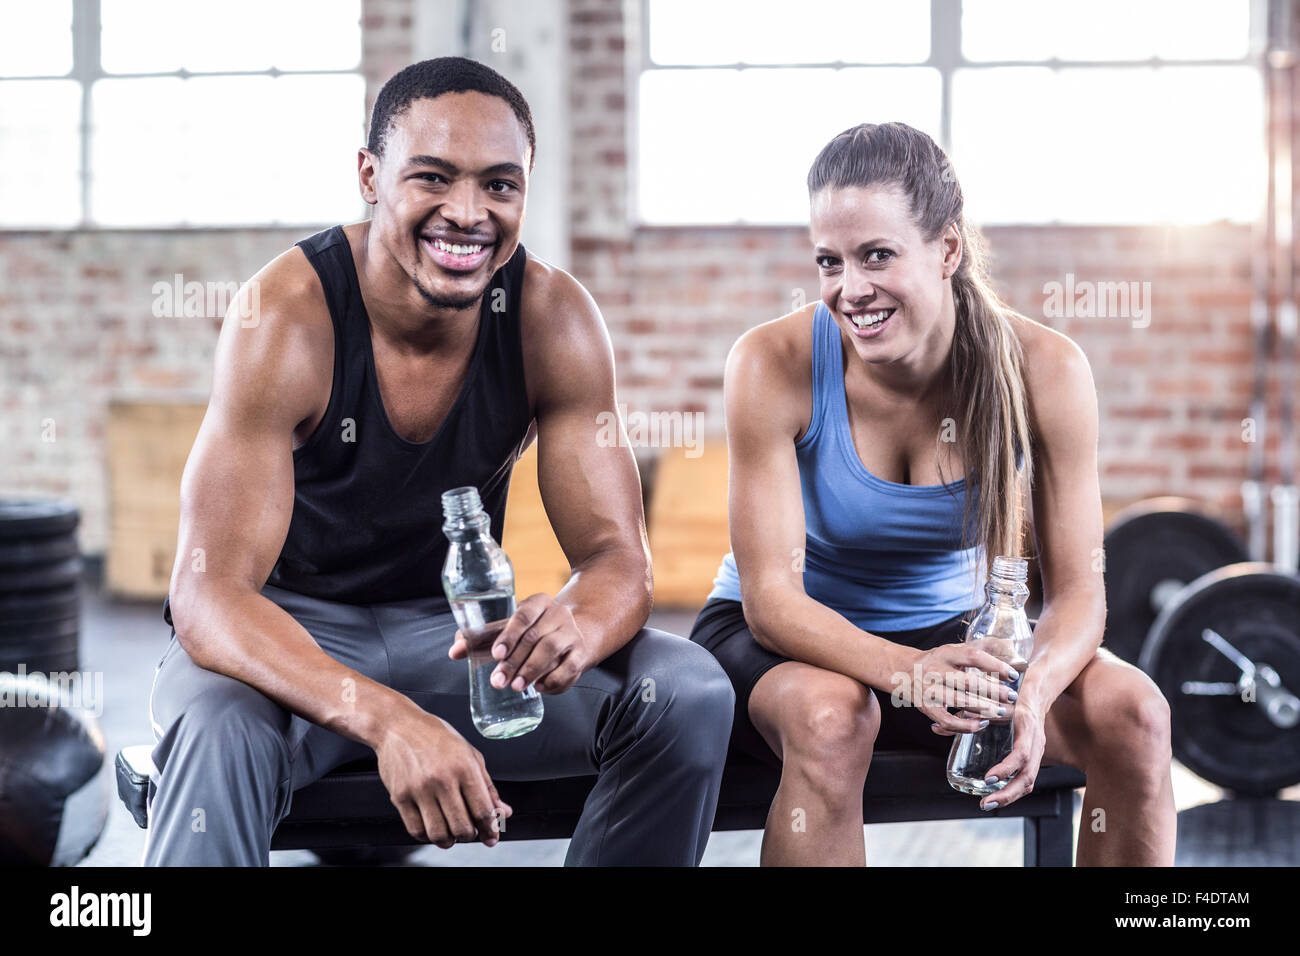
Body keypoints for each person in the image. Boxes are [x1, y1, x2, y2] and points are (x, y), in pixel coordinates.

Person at [144, 57, 734, 867]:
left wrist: (575, 624)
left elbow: (617, 560)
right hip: (286, 637)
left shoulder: (551, 319)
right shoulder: (284, 316)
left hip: (455, 641)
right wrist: (388, 719)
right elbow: (208, 593)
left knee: (687, 692)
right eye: (432, 178)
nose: (468, 213)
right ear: (370, 175)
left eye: (499, 185)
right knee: (217, 731)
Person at [689, 122, 1175, 867]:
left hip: (950, 638)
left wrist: (1035, 693)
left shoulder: (1046, 369)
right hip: (783, 640)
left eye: (876, 255)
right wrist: (907, 673)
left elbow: (1080, 593)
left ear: (947, 250)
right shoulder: (771, 362)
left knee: (1135, 713)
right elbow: (772, 600)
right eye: (830, 262)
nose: (851, 290)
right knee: (833, 717)